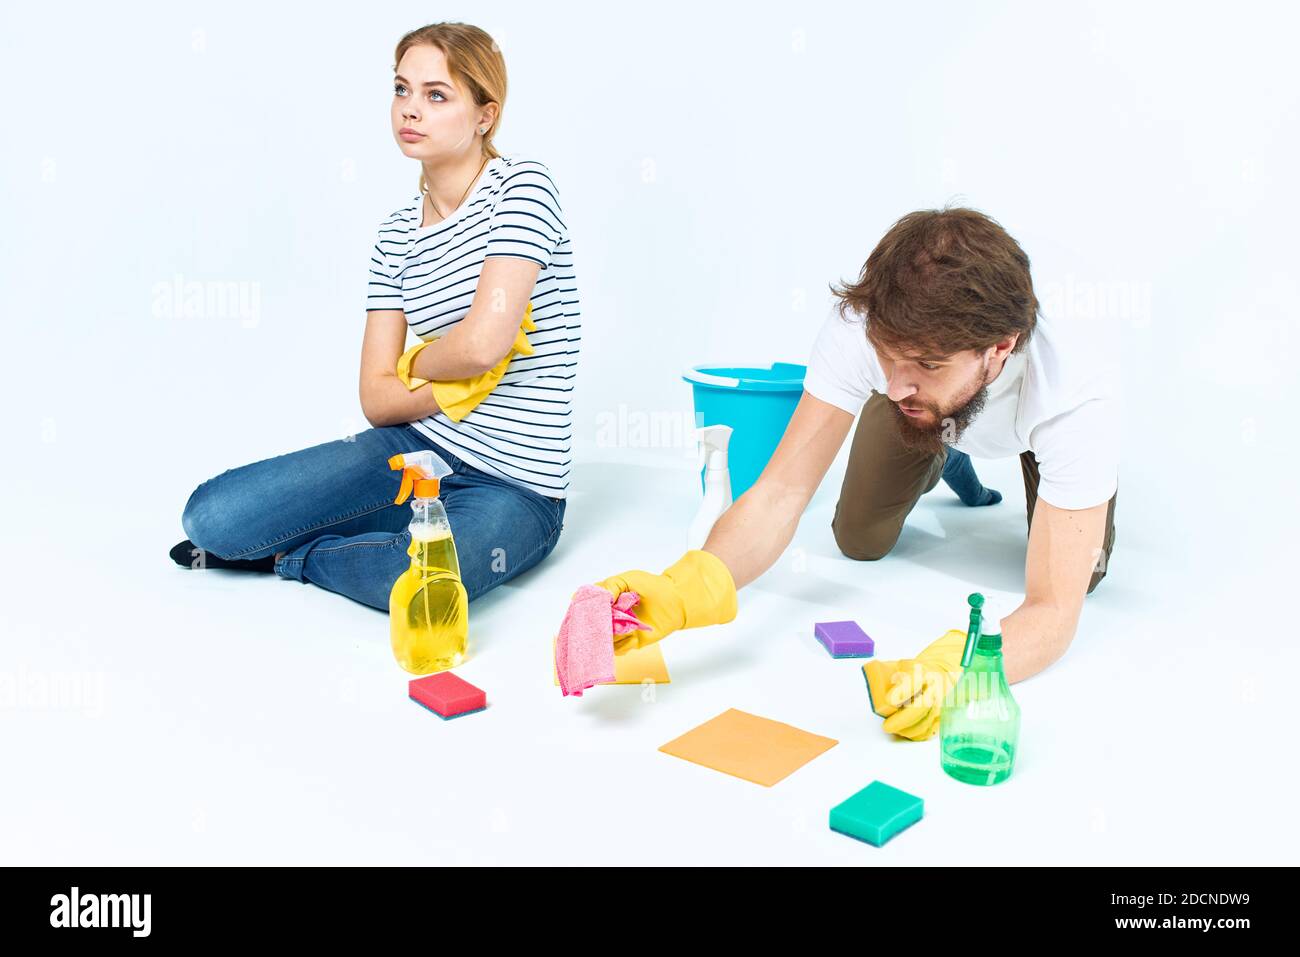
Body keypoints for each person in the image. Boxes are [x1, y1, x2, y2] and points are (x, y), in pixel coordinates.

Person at [585, 208, 1117, 737]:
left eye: (928, 363)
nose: (894, 385)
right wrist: (685, 589)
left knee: (1081, 576)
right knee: (859, 538)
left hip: (1038, 431)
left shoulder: (1072, 392)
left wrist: (958, 668)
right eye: (887, 357)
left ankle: (965, 442)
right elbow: (779, 493)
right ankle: (941, 447)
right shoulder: (866, 331)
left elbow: (1051, 610)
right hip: (931, 414)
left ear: (1000, 348)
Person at [171, 22, 580, 611]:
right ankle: (348, 535)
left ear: (485, 116)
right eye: (401, 90)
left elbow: (483, 345)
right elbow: (378, 399)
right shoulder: (394, 235)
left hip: (516, 487)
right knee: (212, 519)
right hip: (415, 446)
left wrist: (418, 364)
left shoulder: (522, 189)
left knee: (412, 584)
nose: (411, 110)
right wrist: (452, 368)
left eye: (437, 95)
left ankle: (299, 556)